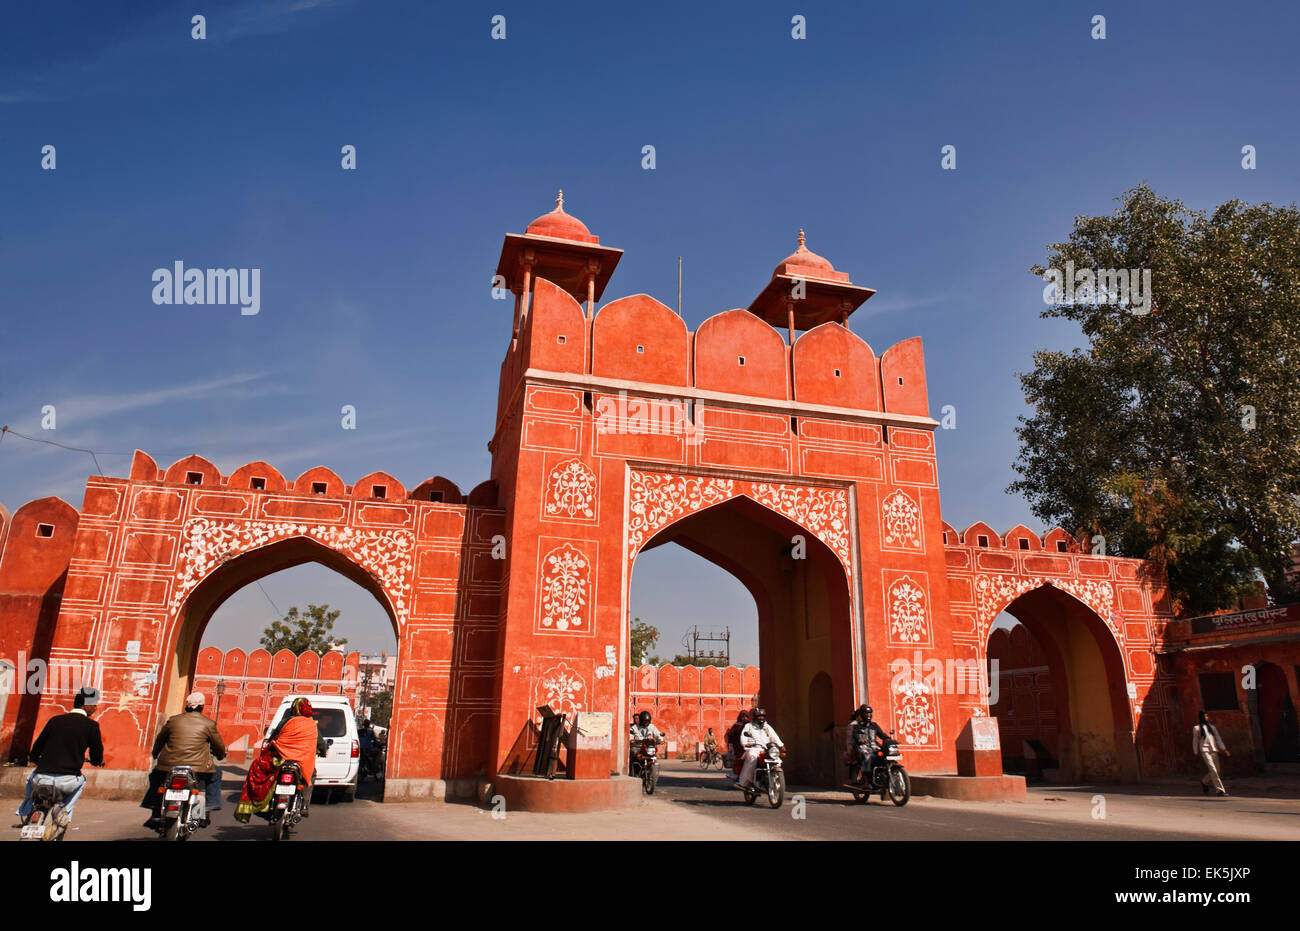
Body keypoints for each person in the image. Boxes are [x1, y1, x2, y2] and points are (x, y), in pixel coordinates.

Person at [17, 686, 104, 825]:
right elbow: (97, 753)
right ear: (86, 705)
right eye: (93, 705)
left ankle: (25, 811)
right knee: (82, 781)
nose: (95, 708)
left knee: (30, 779)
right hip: (67, 781)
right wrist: (96, 761)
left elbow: (37, 746)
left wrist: (34, 759)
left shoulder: (55, 720)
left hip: (41, 778)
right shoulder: (91, 726)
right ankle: (63, 815)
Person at [141, 691, 227, 828]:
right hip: (198, 768)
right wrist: (220, 755)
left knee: (156, 777)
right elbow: (219, 746)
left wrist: (155, 754)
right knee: (216, 774)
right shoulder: (208, 724)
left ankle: (154, 808)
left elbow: (160, 740)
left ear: (186, 705)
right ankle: (209, 807)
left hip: (169, 765)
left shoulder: (173, 720)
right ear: (202, 707)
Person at [235, 697, 327, 823]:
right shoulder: (311, 725)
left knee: (268, 772)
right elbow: (321, 744)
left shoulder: (286, 721)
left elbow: (274, 737)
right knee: (310, 775)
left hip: (282, 757)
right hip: (301, 761)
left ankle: (265, 803)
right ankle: (305, 804)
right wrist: (323, 751)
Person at [738, 707, 785, 789]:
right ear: (755, 717)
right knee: (752, 757)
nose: (761, 718)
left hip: (766, 749)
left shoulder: (767, 727)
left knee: (776, 758)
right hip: (753, 749)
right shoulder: (749, 726)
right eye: (759, 716)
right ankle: (748, 781)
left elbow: (774, 736)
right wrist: (746, 743)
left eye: (763, 716)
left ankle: (775, 777)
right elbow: (743, 737)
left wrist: (781, 745)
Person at [846, 704, 888, 783]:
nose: (869, 715)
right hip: (862, 748)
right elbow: (854, 736)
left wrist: (888, 739)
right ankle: (867, 780)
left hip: (874, 747)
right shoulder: (856, 726)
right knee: (867, 757)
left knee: (885, 755)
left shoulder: (874, 725)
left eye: (870, 713)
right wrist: (859, 740)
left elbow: (882, 734)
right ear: (862, 714)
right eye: (866, 713)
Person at [1192, 709, 1230, 797]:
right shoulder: (1197, 728)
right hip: (1205, 751)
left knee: (1217, 770)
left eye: (1207, 716)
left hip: (1214, 750)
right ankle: (1219, 790)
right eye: (1205, 716)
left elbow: (1218, 739)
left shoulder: (1212, 728)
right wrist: (1195, 751)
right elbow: (1195, 741)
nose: (1206, 718)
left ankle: (1204, 781)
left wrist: (1224, 749)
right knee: (1213, 770)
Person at [726, 710, 751, 776]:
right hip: (738, 747)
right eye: (743, 716)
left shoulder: (751, 726)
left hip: (749, 746)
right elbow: (731, 736)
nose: (745, 718)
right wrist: (730, 746)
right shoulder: (736, 726)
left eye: (746, 716)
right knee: (739, 762)